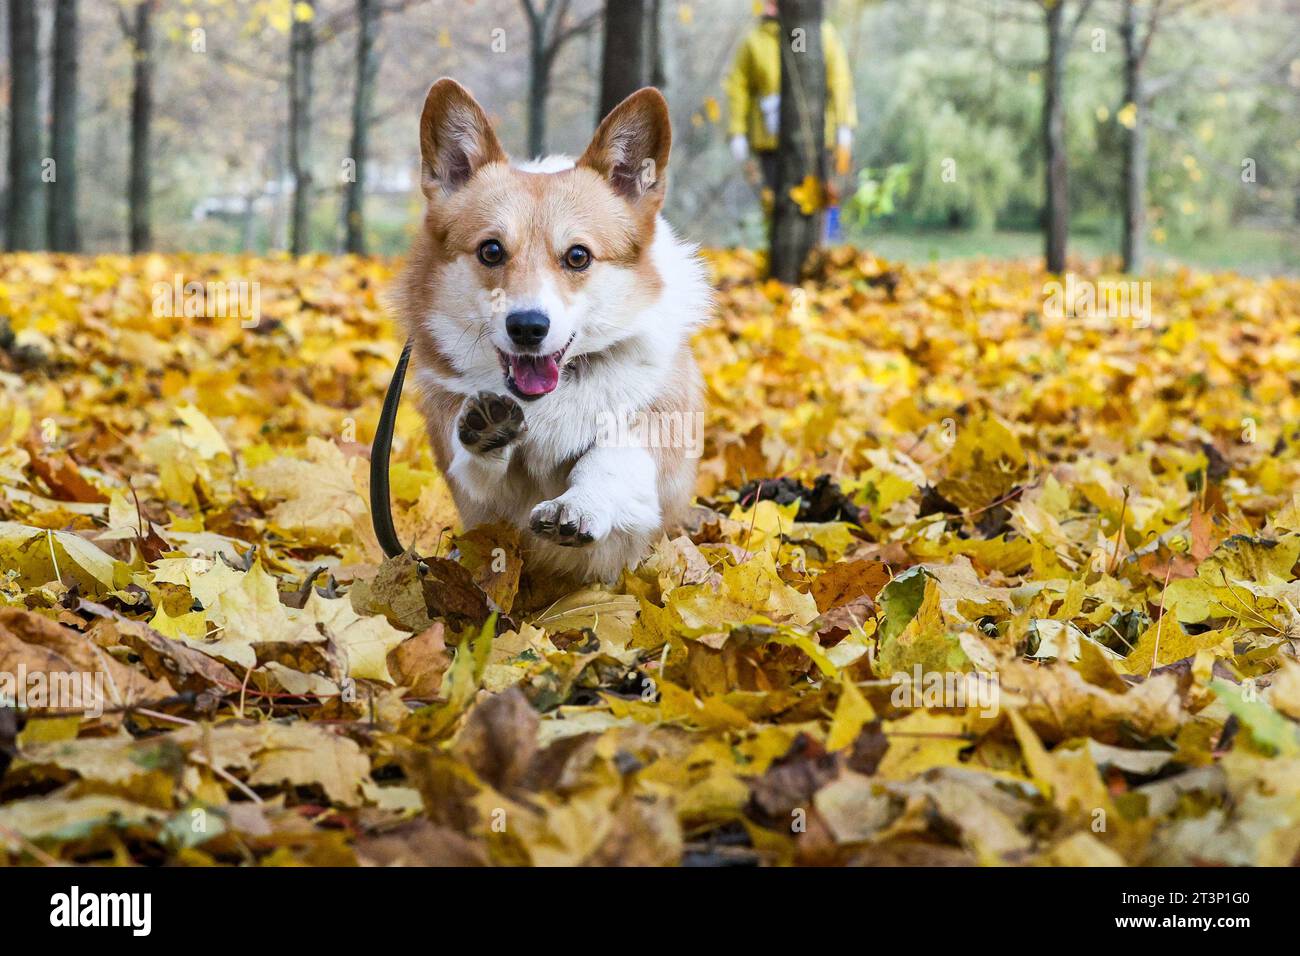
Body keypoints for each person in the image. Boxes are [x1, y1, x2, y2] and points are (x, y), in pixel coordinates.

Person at [724, 0, 857, 196]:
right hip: (771, 145)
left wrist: (844, 126)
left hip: (817, 140)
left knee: (823, 202)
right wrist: (737, 134)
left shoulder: (806, 32)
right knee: (778, 202)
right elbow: (738, 88)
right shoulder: (754, 41)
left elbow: (838, 81)